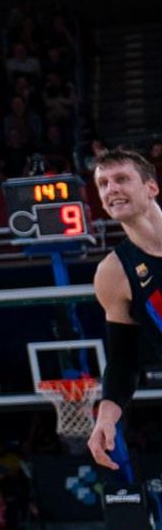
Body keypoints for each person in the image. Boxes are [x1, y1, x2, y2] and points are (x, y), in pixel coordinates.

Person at [86, 146, 160, 477]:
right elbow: (123, 360)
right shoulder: (113, 273)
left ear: (151, 187)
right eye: (103, 184)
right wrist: (105, 417)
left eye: (122, 179)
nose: (111, 189)